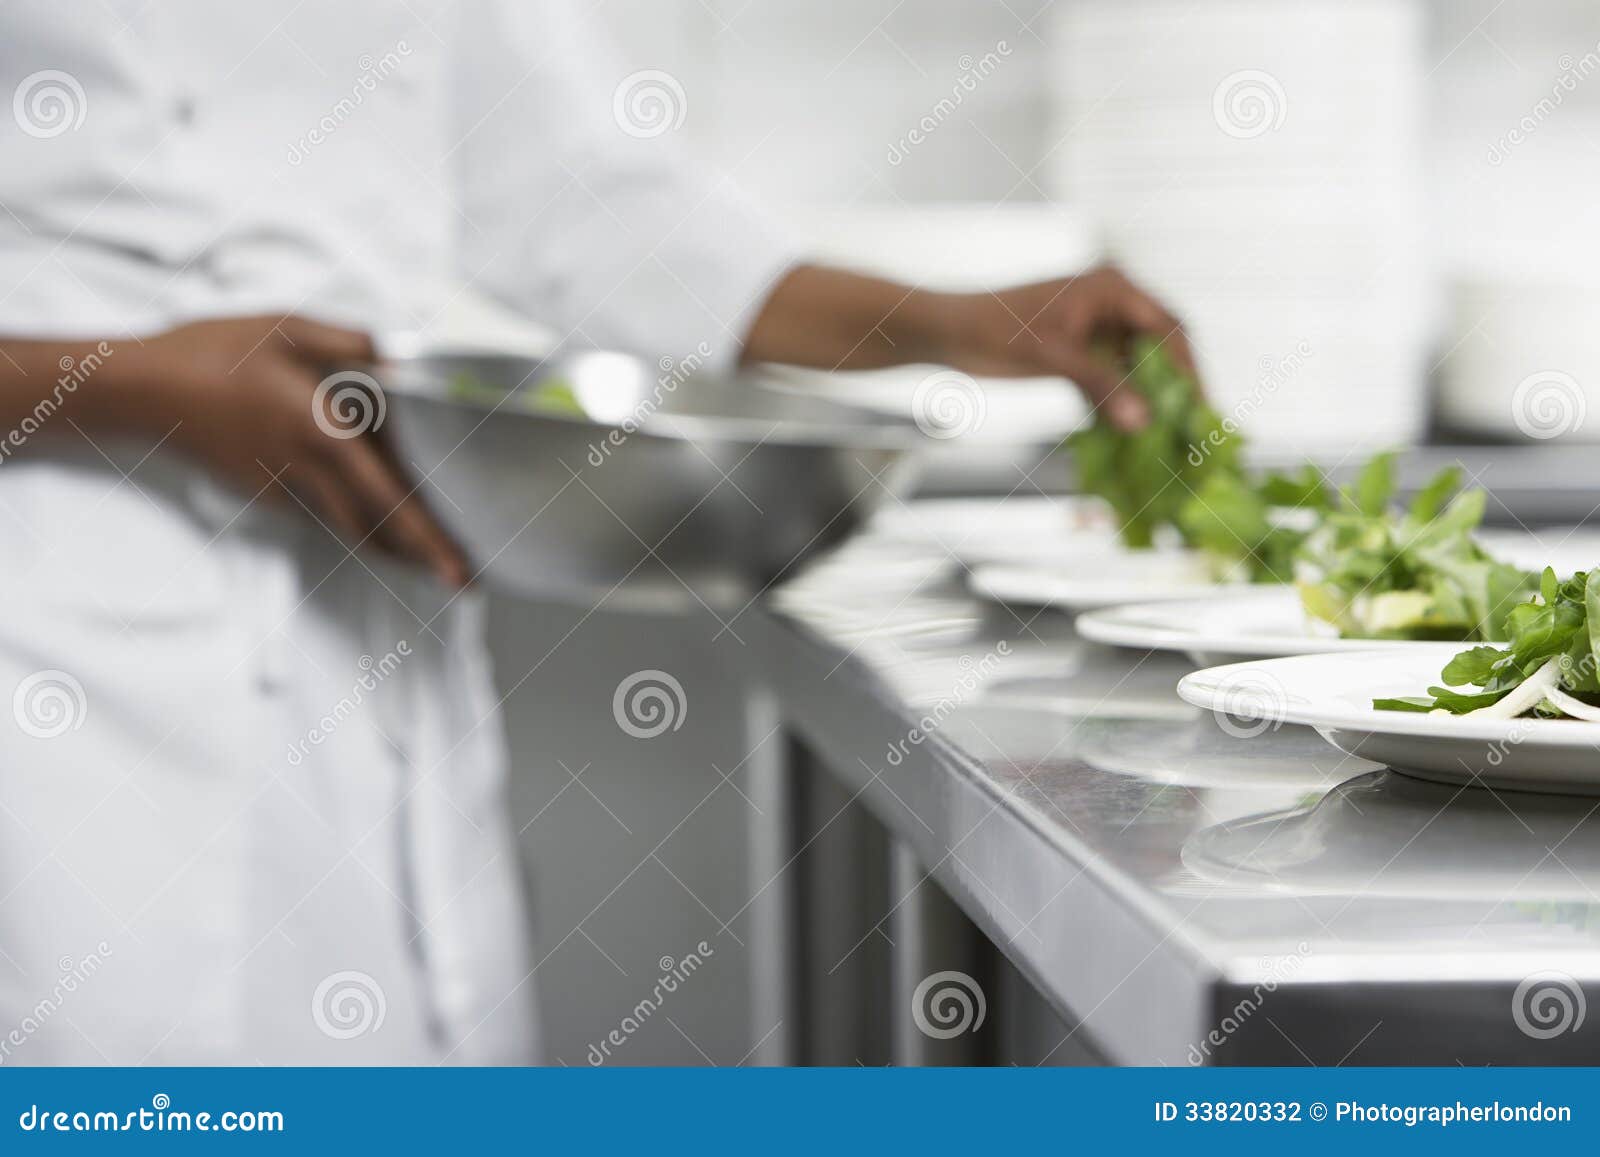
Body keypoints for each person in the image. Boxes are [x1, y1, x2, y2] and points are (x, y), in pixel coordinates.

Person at [0, 1, 1192, 1063]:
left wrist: (955, 323)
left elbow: (579, 197)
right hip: (63, 665)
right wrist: (124, 382)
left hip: (370, 617)